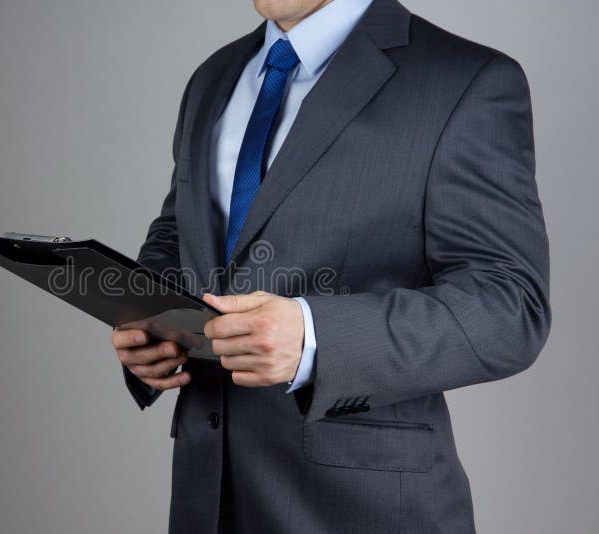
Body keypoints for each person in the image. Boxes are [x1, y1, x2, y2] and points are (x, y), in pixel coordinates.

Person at [111, 0, 551, 532]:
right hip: (206, 498)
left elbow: (510, 308)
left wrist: (315, 338)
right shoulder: (213, 77)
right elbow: (177, 236)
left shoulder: (466, 80)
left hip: (361, 507)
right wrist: (155, 326)